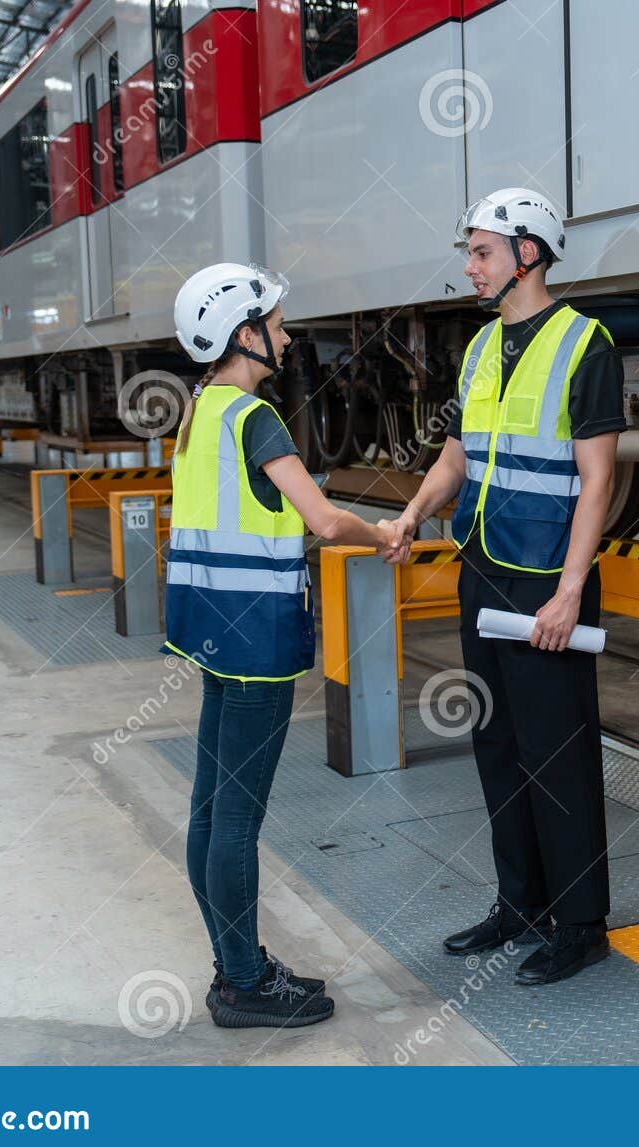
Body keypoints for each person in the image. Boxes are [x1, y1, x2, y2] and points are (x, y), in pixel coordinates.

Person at [381, 188, 626, 985]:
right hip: (483, 568)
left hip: (545, 579)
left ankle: (581, 923)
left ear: (529, 253)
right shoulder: (483, 347)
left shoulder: (585, 344)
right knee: (497, 740)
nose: (470, 267)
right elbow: (459, 455)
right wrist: (416, 511)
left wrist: (569, 591)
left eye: (482, 251)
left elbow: (597, 482)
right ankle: (520, 904)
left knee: (558, 749)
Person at [167, 261, 393, 1028]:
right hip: (255, 638)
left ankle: (235, 968)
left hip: (206, 630)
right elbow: (325, 521)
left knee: (208, 807)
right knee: (237, 819)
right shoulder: (254, 419)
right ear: (245, 334)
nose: (289, 335)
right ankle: (244, 984)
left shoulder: (199, 411)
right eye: (278, 322)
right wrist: (386, 533)